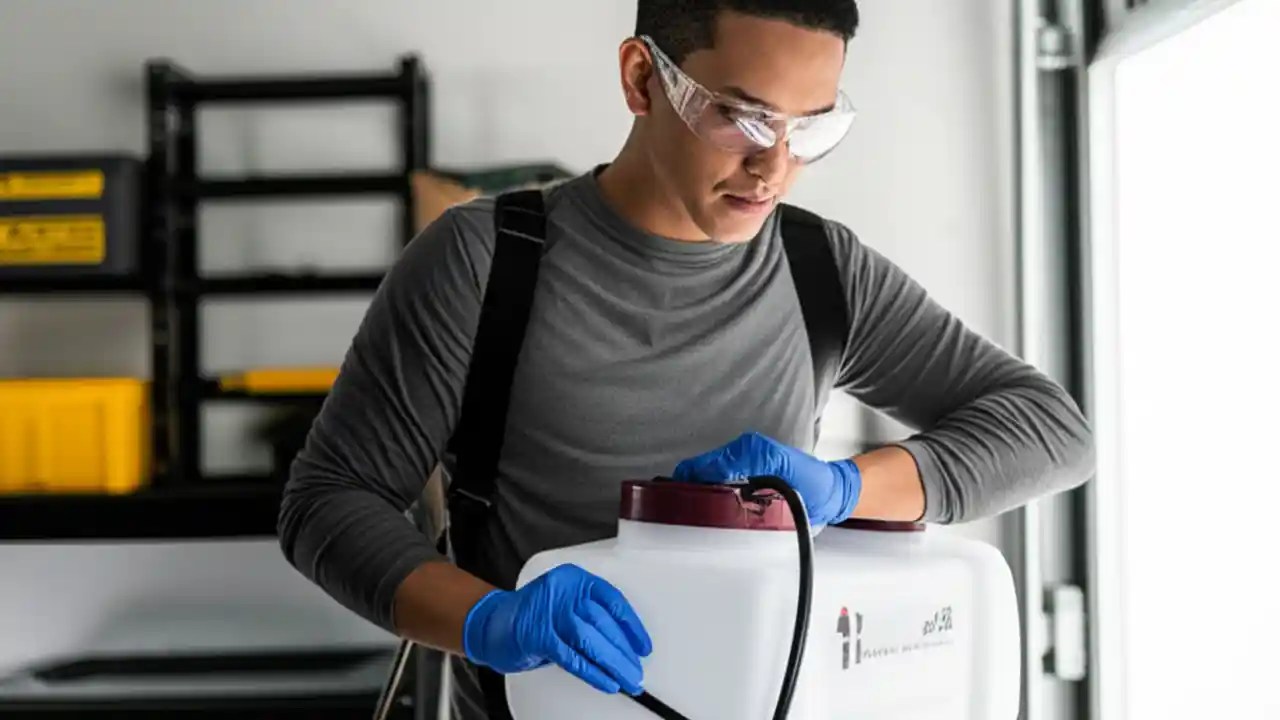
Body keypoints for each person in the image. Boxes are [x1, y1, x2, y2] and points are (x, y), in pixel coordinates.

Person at [278, 1, 1095, 717]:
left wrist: (847, 490)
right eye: (741, 116)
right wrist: (491, 621)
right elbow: (328, 502)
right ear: (641, 79)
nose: (774, 167)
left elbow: (1054, 432)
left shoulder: (821, 271)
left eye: (809, 126)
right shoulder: (484, 262)